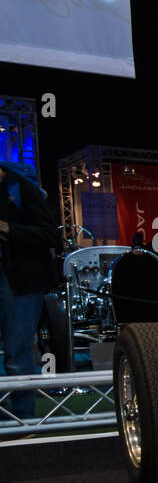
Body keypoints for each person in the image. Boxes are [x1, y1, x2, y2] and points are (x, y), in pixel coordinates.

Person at [0, 161, 61, 420]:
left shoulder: (19, 186)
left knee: (18, 352)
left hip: (19, 283)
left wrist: (8, 228)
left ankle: (23, 418)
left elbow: (51, 236)